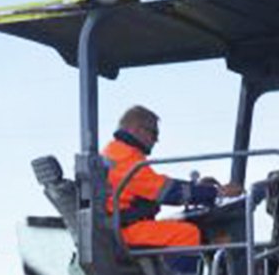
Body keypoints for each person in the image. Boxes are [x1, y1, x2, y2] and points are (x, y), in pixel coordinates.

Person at [103, 105, 242, 250]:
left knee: (183, 225)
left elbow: (161, 186)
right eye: (154, 133)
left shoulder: (119, 153)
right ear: (137, 129)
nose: (156, 140)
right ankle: (173, 274)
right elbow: (168, 192)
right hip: (125, 231)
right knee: (187, 235)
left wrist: (200, 190)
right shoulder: (124, 158)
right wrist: (217, 192)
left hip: (124, 226)